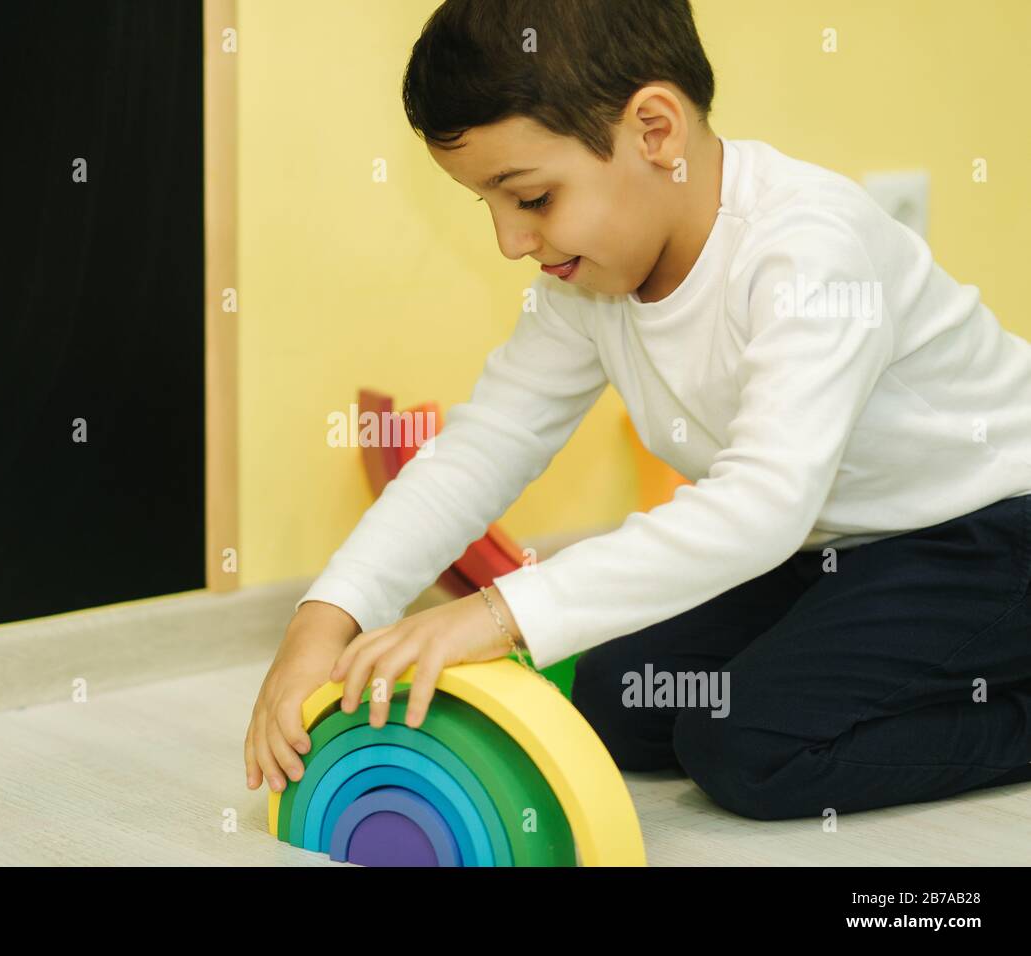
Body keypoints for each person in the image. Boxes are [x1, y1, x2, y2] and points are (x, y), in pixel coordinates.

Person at [245, 0, 1031, 820]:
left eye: (532, 198)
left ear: (656, 132)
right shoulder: (589, 282)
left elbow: (763, 505)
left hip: (996, 533)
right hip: (837, 550)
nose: (511, 242)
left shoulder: (810, 249)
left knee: (750, 747)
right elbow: (483, 448)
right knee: (615, 699)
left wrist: (501, 613)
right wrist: (324, 622)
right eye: (489, 205)